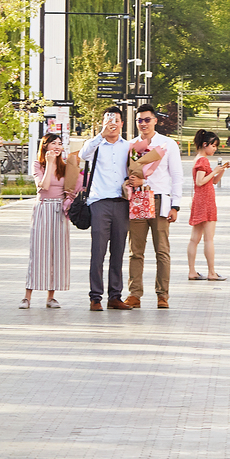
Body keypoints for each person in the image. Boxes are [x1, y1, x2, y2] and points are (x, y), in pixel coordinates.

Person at [79, 108, 159, 311]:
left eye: (116, 120)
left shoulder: (129, 147)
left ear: (123, 123)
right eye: (108, 120)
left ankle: (115, 295)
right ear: (103, 122)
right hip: (99, 202)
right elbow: (82, 154)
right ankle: (95, 297)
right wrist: (101, 134)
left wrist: (136, 179)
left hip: (122, 202)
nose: (113, 124)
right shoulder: (96, 144)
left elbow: (138, 167)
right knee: (98, 251)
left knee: (118, 251)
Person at [124, 104, 184, 309]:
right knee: (135, 250)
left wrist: (176, 205)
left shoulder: (167, 145)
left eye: (147, 120)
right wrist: (131, 183)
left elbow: (176, 175)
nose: (143, 124)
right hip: (138, 201)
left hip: (159, 201)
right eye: (139, 120)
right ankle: (134, 293)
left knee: (162, 250)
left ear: (155, 121)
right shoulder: (130, 145)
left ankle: (162, 294)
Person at [22, 132, 73, 309]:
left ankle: (51, 296)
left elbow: (72, 187)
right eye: (54, 144)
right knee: (38, 252)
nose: (57, 147)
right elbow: (43, 186)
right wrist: (50, 163)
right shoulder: (38, 165)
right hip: (43, 208)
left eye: (60, 144)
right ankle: (27, 295)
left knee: (57, 253)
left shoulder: (65, 167)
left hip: (60, 210)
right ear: (45, 146)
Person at [186, 129, 230, 280]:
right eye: (213, 145)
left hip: (199, 201)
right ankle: (212, 272)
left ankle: (192, 271)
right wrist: (215, 171)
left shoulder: (199, 159)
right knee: (208, 239)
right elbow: (200, 182)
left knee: (194, 239)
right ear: (205, 144)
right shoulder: (202, 160)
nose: (215, 148)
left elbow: (213, 181)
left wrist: (221, 170)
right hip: (206, 201)